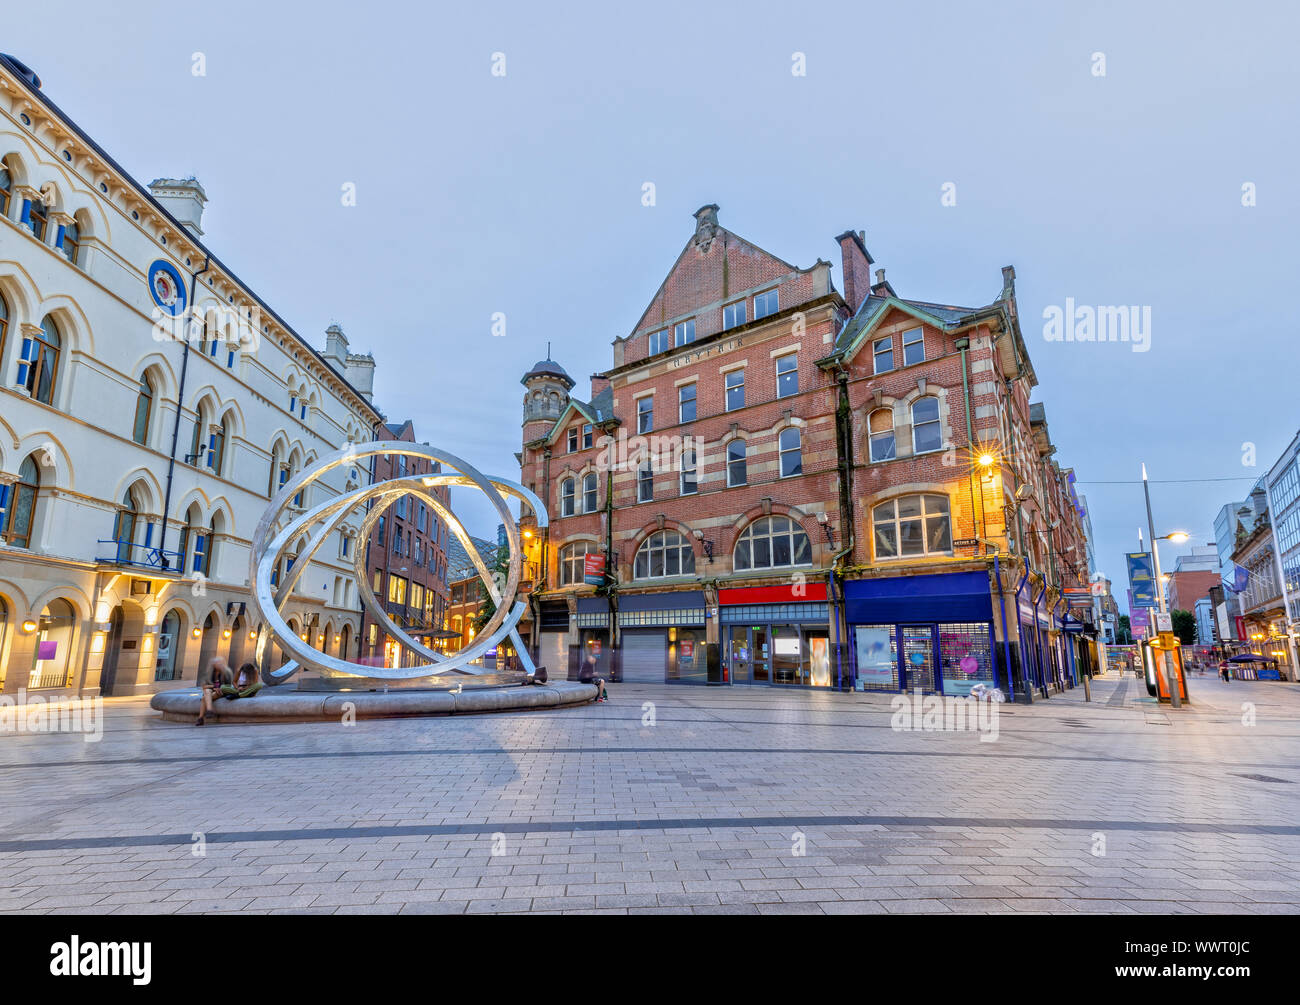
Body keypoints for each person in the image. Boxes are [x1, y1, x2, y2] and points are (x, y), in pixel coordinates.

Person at [197, 657, 232, 726]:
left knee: (204, 698)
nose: (218, 665)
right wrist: (214, 687)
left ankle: (201, 718)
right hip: (211, 692)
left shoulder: (227, 672)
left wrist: (217, 688)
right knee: (207, 691)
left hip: (222, 692)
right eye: (217, 663)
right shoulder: (210, 673)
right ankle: (209, 710)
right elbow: (204, 687)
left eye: (220, 663)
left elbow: (228, 686)